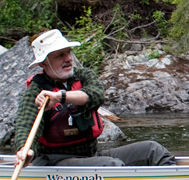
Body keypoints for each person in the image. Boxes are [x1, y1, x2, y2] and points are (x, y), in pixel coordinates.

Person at [13, 29, 176, 167]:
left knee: (153, 150)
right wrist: (25, 150)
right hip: (54, 161)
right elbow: (25, 125)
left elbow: (97, 94)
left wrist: (61, 97)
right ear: (44, 63)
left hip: (89, 155)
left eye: (68, 52)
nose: (68, 58)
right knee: (111, 165)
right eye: (59, 55)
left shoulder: (83, 76)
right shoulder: (37, 91)